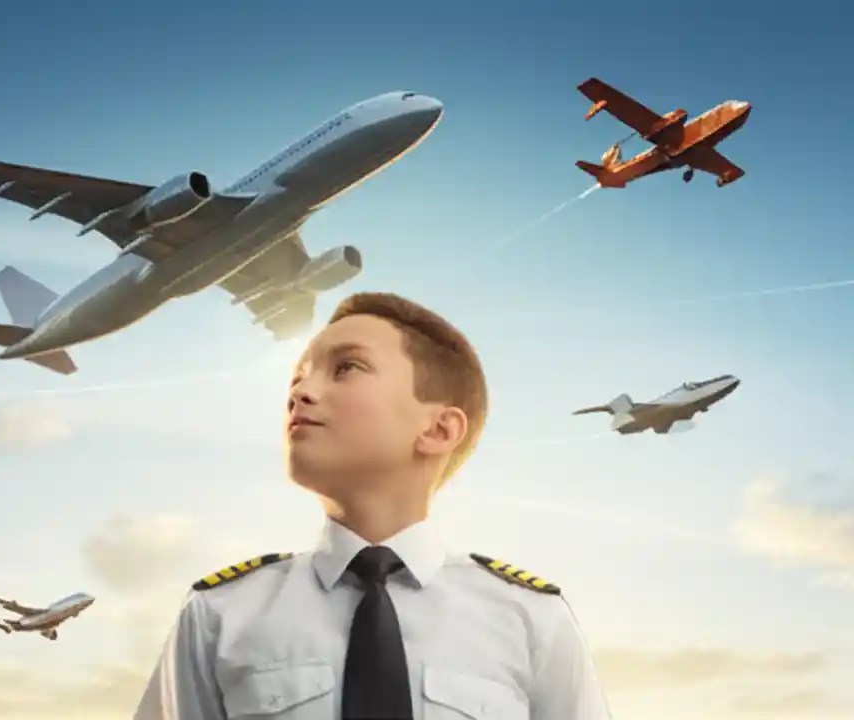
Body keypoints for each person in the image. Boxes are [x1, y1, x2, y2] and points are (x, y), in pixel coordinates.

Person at [133, 292, 613, 719]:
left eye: (347, 368)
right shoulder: (220, 614)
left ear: (438, 430)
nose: (299, 393)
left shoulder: (530, 620)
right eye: (297, 378)